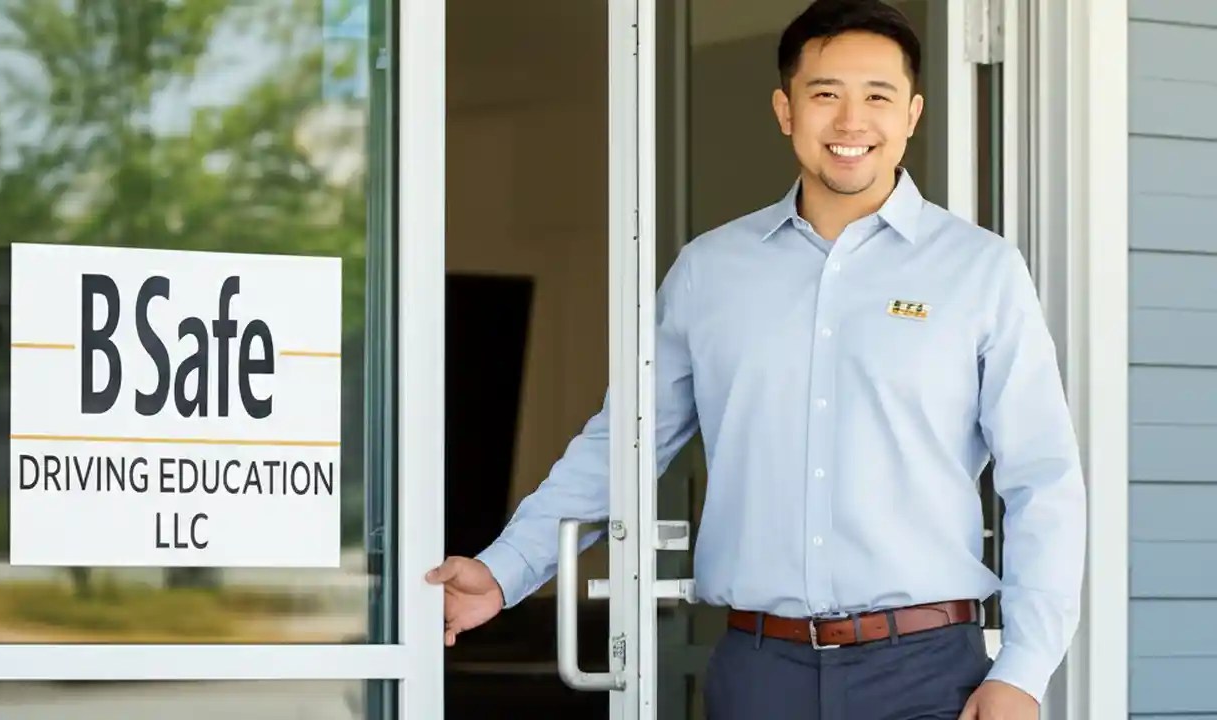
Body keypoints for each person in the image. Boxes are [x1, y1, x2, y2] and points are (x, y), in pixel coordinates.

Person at [427, 0, 1087, 717]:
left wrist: (1023, 669)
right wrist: (504, 571)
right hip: (758, 674)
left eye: (878, 96)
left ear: (912, 114)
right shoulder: (710, 272)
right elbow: (622, 446)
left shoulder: (981, 271)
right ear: (785, 109)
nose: (850, 122)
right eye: (825, 94)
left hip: (928, 677)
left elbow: (1043, 482)